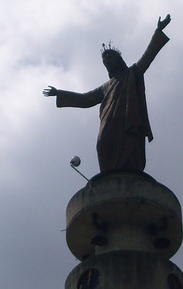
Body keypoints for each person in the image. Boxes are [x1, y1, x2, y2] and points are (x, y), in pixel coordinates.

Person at [43, 15, 171, 173]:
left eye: (111, 57)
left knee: (129, 142)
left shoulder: (131, 73)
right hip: (108, 121)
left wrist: (158, 32)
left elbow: (147, 57)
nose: (107, 60)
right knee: (102, 143)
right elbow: (85, 99)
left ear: (119, 59)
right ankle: (108, 177)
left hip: (127, 118)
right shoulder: (105, 87)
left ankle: (129, 175)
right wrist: (59, 93)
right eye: (105, 59)